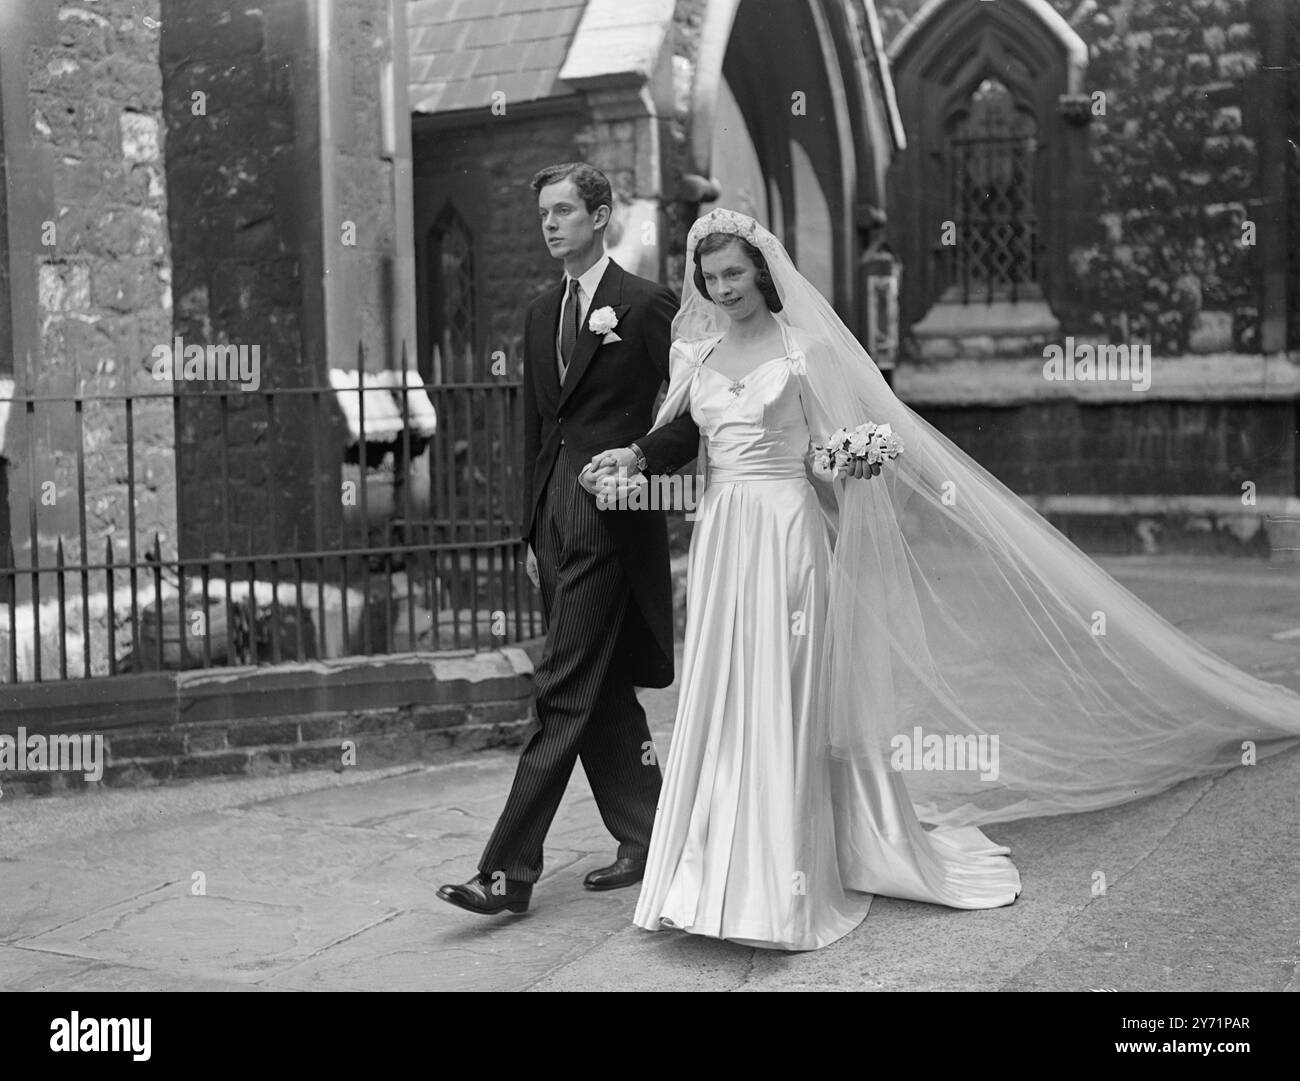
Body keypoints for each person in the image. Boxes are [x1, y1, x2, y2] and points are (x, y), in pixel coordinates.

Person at [585, 208, 1300, 951]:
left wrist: (849, 460)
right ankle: (705, 873)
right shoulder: (695, 354)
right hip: (725, 535)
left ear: (763, 272)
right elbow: (680, 435)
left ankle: (778, 881)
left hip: (788, 536)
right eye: (711, 275)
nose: (722, 286)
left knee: (782, 692)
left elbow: (823, 454)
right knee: (725, 692)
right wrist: (632, 457)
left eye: (735, 272)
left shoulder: (806, 352)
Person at [436, 164, 698, 916]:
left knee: (560, 690)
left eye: (564, 211)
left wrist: (643, 455)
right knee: (602, 685)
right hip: (554, 522)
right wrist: (529, 528)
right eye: (543, 213)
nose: (550, 225)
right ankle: (650, 836)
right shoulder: (540, 309)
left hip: (612, 524)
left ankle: (506, 872)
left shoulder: (645, 305)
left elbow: (694, 408)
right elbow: (536, 427)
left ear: (601, 215)